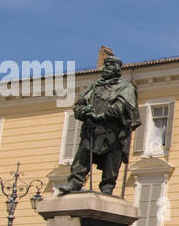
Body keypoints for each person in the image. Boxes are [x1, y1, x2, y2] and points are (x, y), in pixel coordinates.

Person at [60, 55, 141, 195]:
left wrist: (100, 116)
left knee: (111, 159)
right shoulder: (94, 87)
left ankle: (107, 187)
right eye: (105, 66)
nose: (105, 69)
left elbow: (120, 107)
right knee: (83, 156)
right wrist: (84, 112)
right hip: (91, 128)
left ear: (116, 69)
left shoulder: (125, 87)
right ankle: (74, 182)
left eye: (109, 67)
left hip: (112, 130)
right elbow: (78, 106)